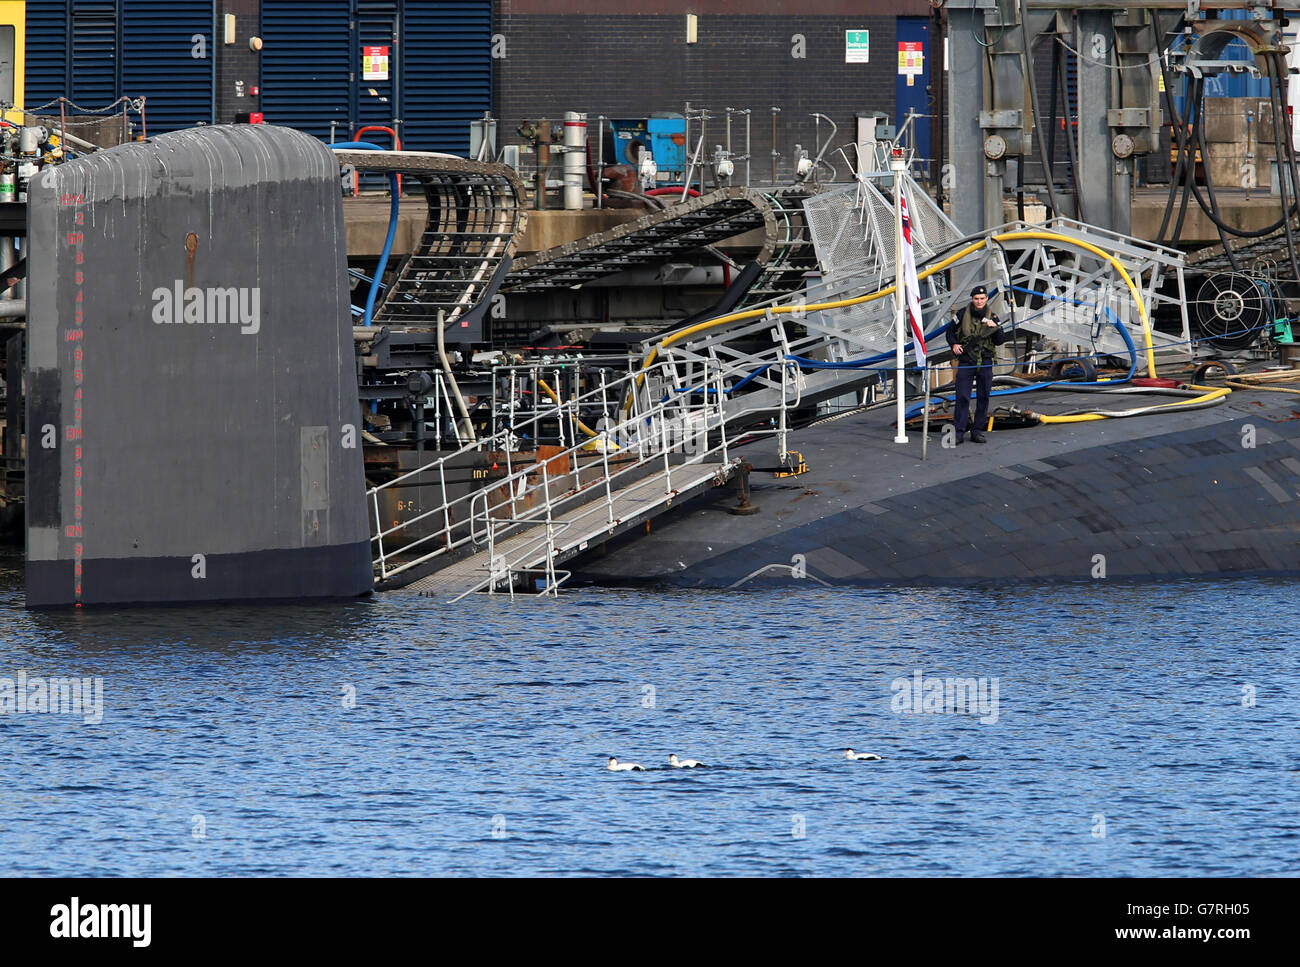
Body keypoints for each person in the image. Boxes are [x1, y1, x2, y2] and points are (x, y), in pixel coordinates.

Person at [946, 285, 1006, 445]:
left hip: (985, 361)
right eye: (976, 299)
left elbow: (1000, 340)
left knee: (983, 396)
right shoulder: (961, 314)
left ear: (986, 299)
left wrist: (996, 328)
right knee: (962, 396)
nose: (979, 301)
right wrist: (954, 345)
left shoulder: (993, 316)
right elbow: (950, 332)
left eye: (982, 298)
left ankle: (977, 431)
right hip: (966, 360)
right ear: (972, 299)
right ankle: (959, 431)